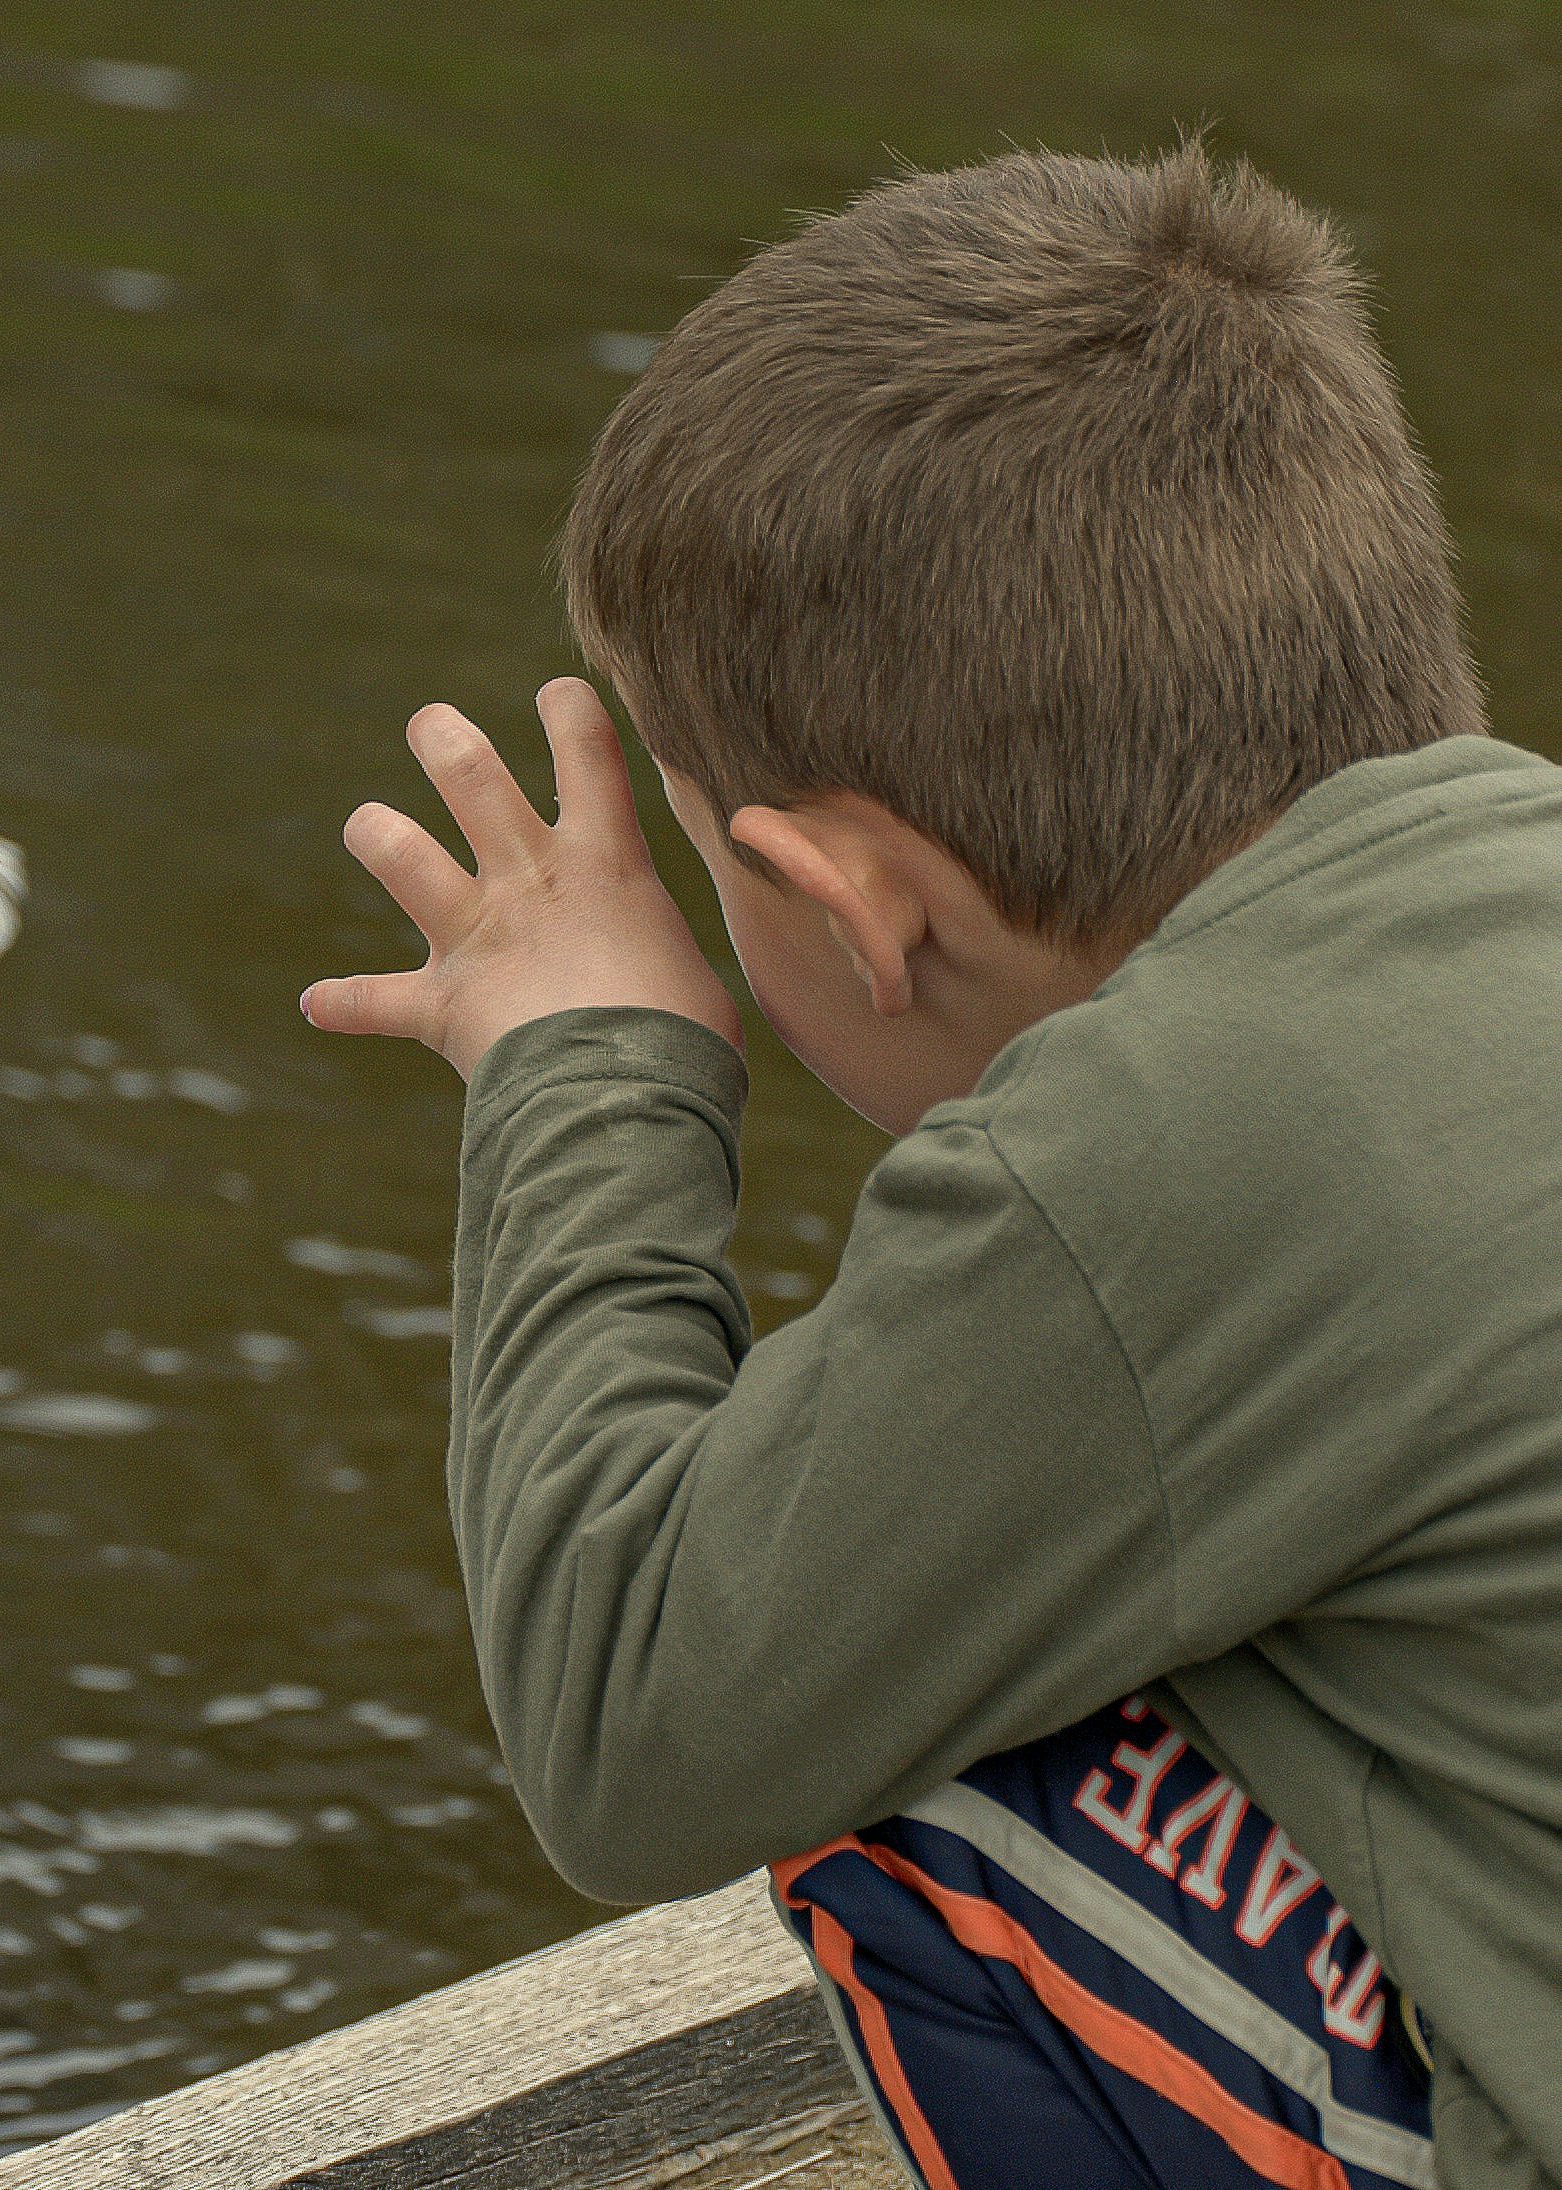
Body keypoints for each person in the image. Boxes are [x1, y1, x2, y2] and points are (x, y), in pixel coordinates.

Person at [300, 143, 1559, 2190]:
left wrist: (584, 1060)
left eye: (718, 878)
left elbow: (639, 1712)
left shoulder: (1162, 1149)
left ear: (848, 897)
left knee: (895, 1731)